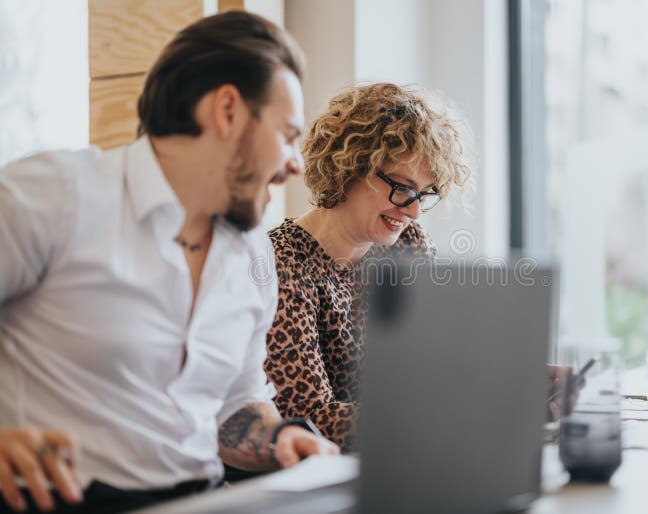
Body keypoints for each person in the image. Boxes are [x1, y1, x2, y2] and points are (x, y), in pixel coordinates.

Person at [0, 11, 338, 514]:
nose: (297, 163)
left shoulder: (253, 253)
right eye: (288, 135)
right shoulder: (55, 197)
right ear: (227, 110)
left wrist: (278, 440)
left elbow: (233, 408)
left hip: (201, 502)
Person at [265, 83, 472, 450]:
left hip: (403, 456)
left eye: (424, 194)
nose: (413, 211)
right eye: (402, 188)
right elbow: (309, 418)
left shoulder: (408, 245)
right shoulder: (282, 262)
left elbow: (438, 365)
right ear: (348, 167)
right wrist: (437, 415)